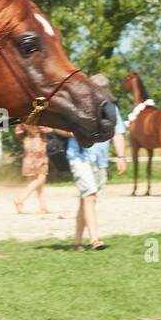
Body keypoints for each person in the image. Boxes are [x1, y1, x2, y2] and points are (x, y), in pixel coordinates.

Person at [63, 107, 127, 250]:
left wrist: (121, 157)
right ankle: (94, 239)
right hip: (79, 156)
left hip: (100, 160)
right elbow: (57, 128)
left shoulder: (111, 109)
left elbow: (117, 133)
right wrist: (76, 132)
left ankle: (77, 241)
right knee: (90, 195)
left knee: (86, 199)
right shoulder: (77, 102)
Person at [13, 122, 51, 213]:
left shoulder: (22, 115)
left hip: (28, 143)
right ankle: (20, 199)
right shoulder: (37, 113)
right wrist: (52, 129)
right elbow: (45, 128)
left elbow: (18, 133)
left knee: (37, 177)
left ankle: (43, 206)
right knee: (41, 177)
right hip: (38, 143)